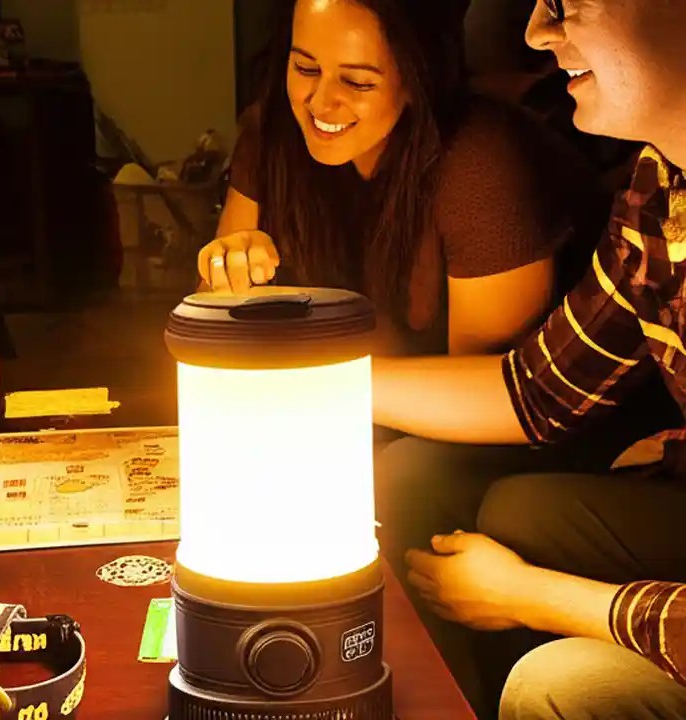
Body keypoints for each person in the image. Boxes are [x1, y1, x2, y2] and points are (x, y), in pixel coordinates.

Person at [231, 0, 686, 717]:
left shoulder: (475, 165)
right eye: (303, 66)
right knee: (519, 511)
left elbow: (505, 398)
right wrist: (312, 383)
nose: (538, 32)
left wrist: (537, 597)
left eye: (571, 4)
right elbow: (537, 389)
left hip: (608, 453)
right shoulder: (660, 188)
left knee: (417, 488)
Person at [200, 0, 609, 359]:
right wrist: (229, 273)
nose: (320, 102)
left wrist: (322, 380)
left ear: (417, 80)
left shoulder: (481, 166)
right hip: (361, 401)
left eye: (358, 81)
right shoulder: (275, 131)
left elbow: (485, 390)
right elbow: (210, 331)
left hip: (498, 424)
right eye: (305, 67)